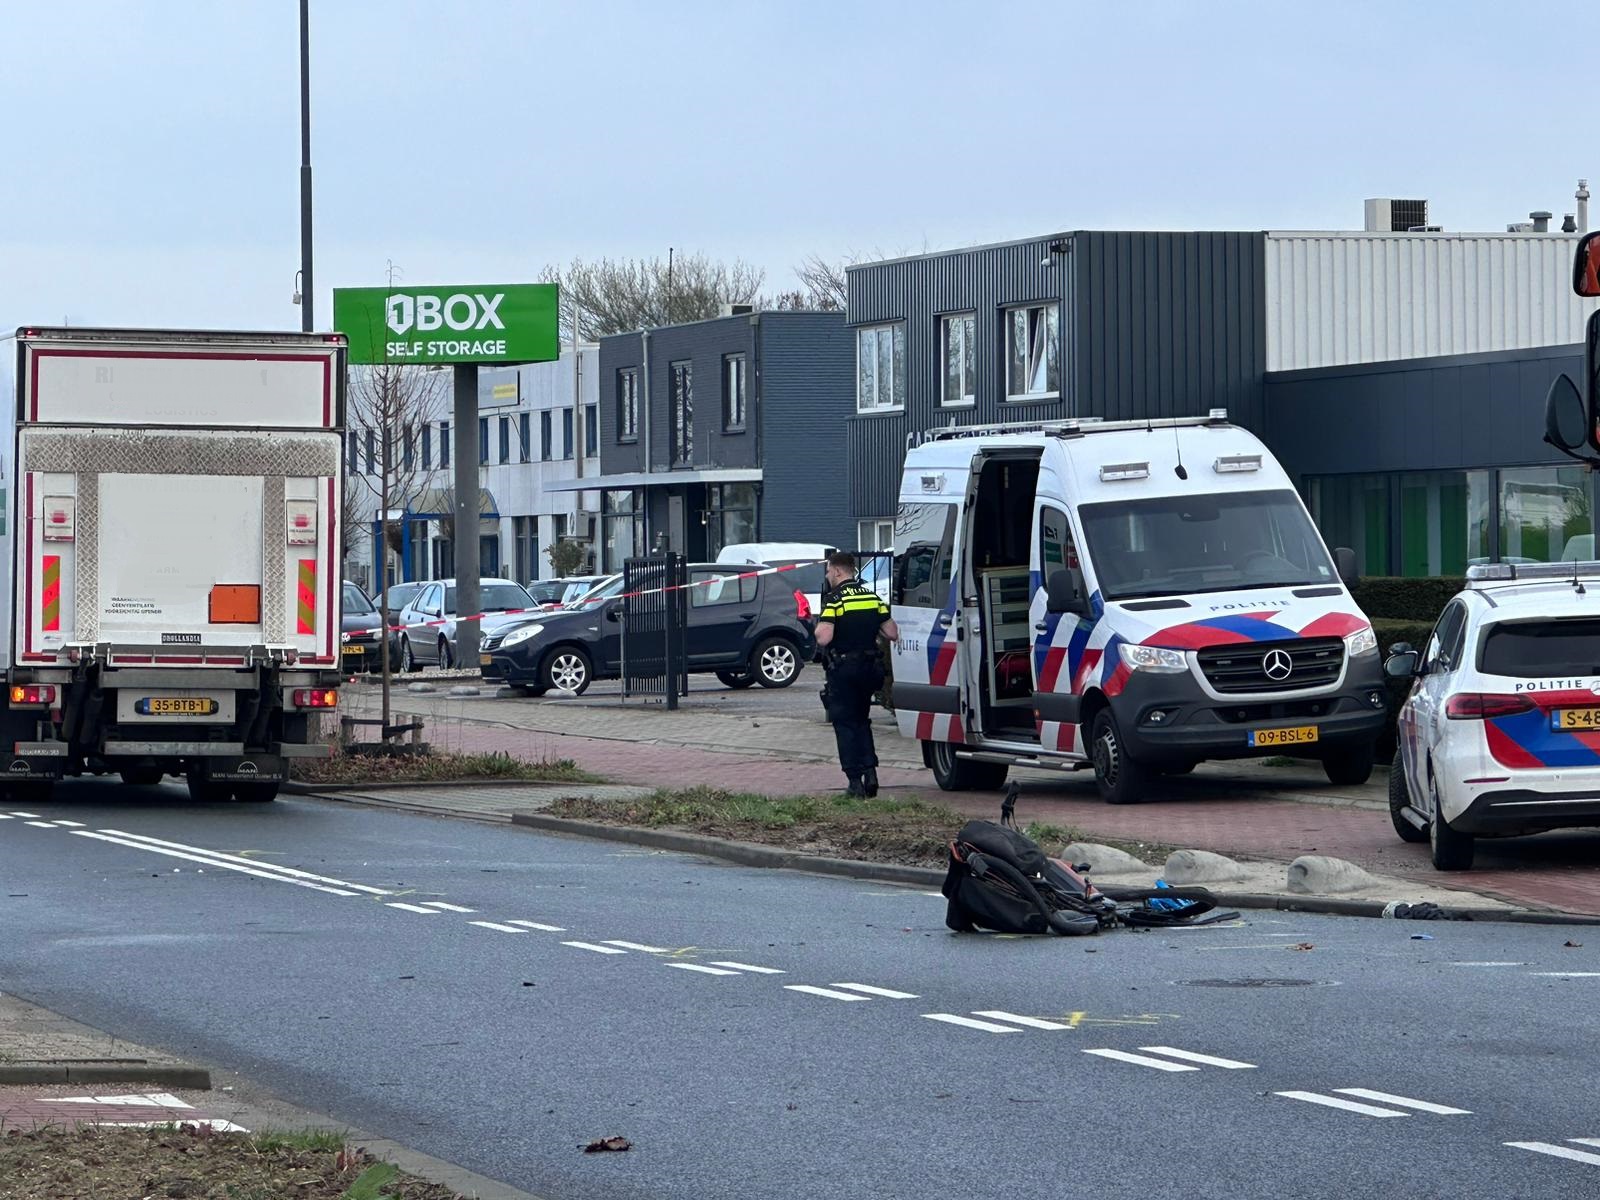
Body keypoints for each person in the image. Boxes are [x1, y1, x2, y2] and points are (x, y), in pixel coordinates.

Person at [815, 551, 898, 797]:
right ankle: (871, 773)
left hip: (845, 670)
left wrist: (817, 628)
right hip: (870, 669)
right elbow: (892, 632)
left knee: (845, 723)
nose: (829, 575)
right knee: (863, 720)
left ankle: (855, 782)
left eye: (829, 570)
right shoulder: (872, 597)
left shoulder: (835, 599)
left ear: (839, 571)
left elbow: (824, 636)